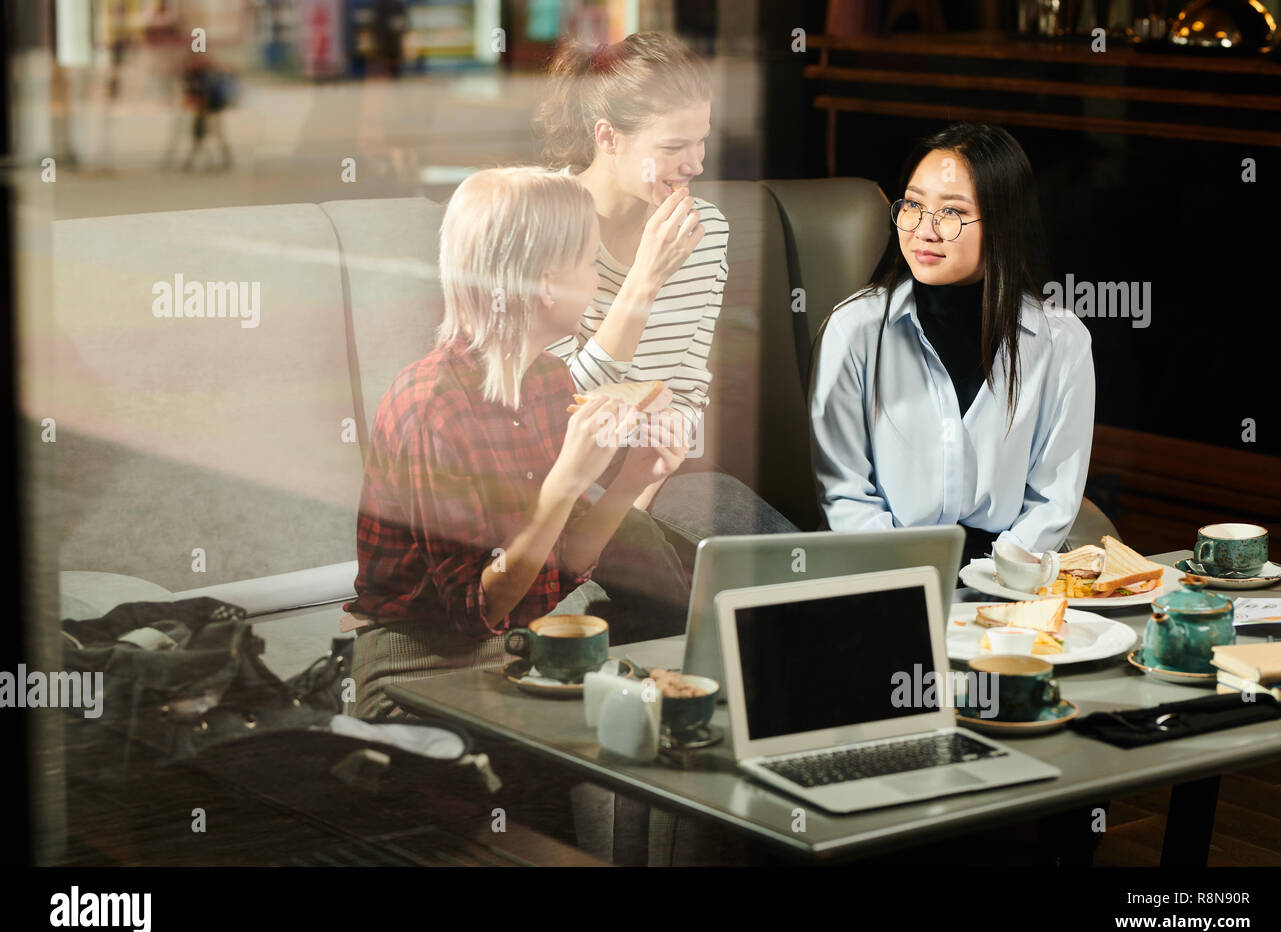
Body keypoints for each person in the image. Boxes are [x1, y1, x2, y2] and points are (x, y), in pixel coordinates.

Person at [341, 167, 689, 720]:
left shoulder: (549, 380)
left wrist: (632, 481)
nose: (598, 281)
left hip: (516, 647)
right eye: (589, 263)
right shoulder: (432, 407)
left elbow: (562, 566)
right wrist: (565, 483)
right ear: (547, 284)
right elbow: (476, 611)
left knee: (652, 725)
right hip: (417, 665)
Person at [535, 31, 797, 563]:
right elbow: (558, 410)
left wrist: (635, 498)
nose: (695, 163)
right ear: (608, 137)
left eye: (701, 140)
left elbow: (686, 389)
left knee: (785, 565)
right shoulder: (541, 225)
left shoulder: (707, 232)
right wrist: (644, 280)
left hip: (658, 472)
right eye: (673, 147)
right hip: (551, 477)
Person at [809, 123, 1094, 565]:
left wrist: (996, 578)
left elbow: (1052, 500)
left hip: (1010, 583)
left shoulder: (1063, 342)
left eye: (952, 213)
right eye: (913, 206)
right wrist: (910, 580)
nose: (924, 230)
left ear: (1003, 222)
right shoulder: (854, 330)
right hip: (888, 574)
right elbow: (845, 497)